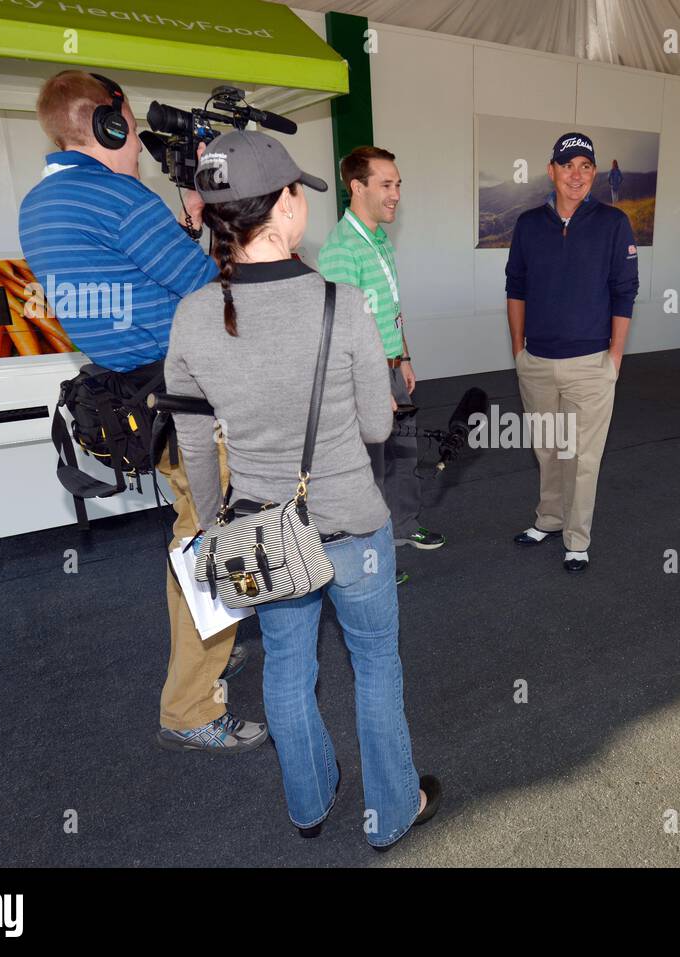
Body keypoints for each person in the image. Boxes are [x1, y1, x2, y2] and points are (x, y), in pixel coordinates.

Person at [166, 130, 440, 848]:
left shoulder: (193, 315)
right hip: (352, 522)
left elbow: (195, 446)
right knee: (376, 663)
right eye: (297, 193)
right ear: (283, 209)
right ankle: (389, 813)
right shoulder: (340, 303)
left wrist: (211, 521)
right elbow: (380, 427)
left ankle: (310, 802)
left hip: (262, 533)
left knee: (288, 667)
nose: (301, 205)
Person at [18, 71, 263, 753]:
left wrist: (183, 224)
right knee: (214, 539)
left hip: (136, 397)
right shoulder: (121, 199)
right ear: (108, 125)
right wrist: (225, 228)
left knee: (191, 534)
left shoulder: (41, 202)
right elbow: (212, 288)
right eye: (127, 121)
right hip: (189, 397)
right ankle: (191, 705)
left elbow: (131, 275)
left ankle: (211, 641)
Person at [505, 133, 639, 573]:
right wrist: (518, 352)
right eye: (568, 165)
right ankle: (548, 518)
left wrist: (615, 357)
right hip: (537, 362)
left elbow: (625, 292)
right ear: (552, 170)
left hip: (591, 364)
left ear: (595, 173)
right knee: (547, 448)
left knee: (582, 456)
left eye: (585, 166)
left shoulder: (614, 223)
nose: (576, 174)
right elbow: (516, 289)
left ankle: (576, 538)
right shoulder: (528, 224)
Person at [318, 147, 445, 586]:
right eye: (386, 185)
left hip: (391, 368)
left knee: (403, 456)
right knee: (368, 471)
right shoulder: (340, 250)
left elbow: (389, 309)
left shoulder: (379, 238)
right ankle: (370, 562)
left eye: (398, 185)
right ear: (358, 187)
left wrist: (403, 356)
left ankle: (405, 528)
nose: (395, 195)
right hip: (365, 376)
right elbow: (346, 334)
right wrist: (376, 385)